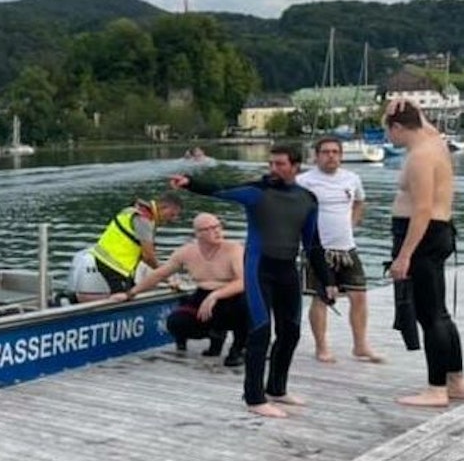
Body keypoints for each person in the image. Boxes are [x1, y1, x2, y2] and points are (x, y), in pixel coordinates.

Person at [170, 145, 336, 418]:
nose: (273, 169)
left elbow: (313, 244)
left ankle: (277, 389)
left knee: (291, 332)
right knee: (260, 330)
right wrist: (190, 183)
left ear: (296, 166)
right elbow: (221, 189)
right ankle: (254, 398)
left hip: (287, 272)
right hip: (260, 270)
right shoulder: (257, 193)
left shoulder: (308, 199)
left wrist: (326, 280)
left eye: (280, 164)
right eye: (271, 163)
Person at [384, 99, 463, 407]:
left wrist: (404, 256)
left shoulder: (420, 157)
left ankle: (436, 388)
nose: (389, 138)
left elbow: (422, 209)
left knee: (429, 315)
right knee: (440, 312)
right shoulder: (435, 143)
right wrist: (412, 105)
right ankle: (456, 379)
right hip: (437, 234)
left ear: (399, 128)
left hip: (422, 236)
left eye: (388, 131)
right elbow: (424, 125)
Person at [110, 213, 248, 366]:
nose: (216, 231)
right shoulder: (187, 252)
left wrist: (216, 295)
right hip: (202, 295)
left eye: (217, 226)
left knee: (247, 304)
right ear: (198, 234)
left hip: (231, 295)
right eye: (209, 229)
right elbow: (159, 274)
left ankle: (238, 349)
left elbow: (243, 281)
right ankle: (215, 336)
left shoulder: (234, 249)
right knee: (176, 322)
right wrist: (130, 293)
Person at [296, 136, 379, 363]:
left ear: (341, 155)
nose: (331, 156)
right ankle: (321, 346)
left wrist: (352, 223)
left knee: (359, 296)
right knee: (321, 298)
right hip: (318, 248)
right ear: (316, 155)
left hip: (347, 247)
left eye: (335, 152)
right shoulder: (304, 181)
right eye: (326, 152)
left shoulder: (351, 178)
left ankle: (360, 345)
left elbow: (360, 201)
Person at [89, 193, 183, 295]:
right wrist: (166, 276)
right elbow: (148, 257)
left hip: (106, 259)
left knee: (133, 291)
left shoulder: (136, 210)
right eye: (172, 214)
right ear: (162, 207)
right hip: (113, 264)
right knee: (124, 299)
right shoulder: (144, 220)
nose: (173, 219)